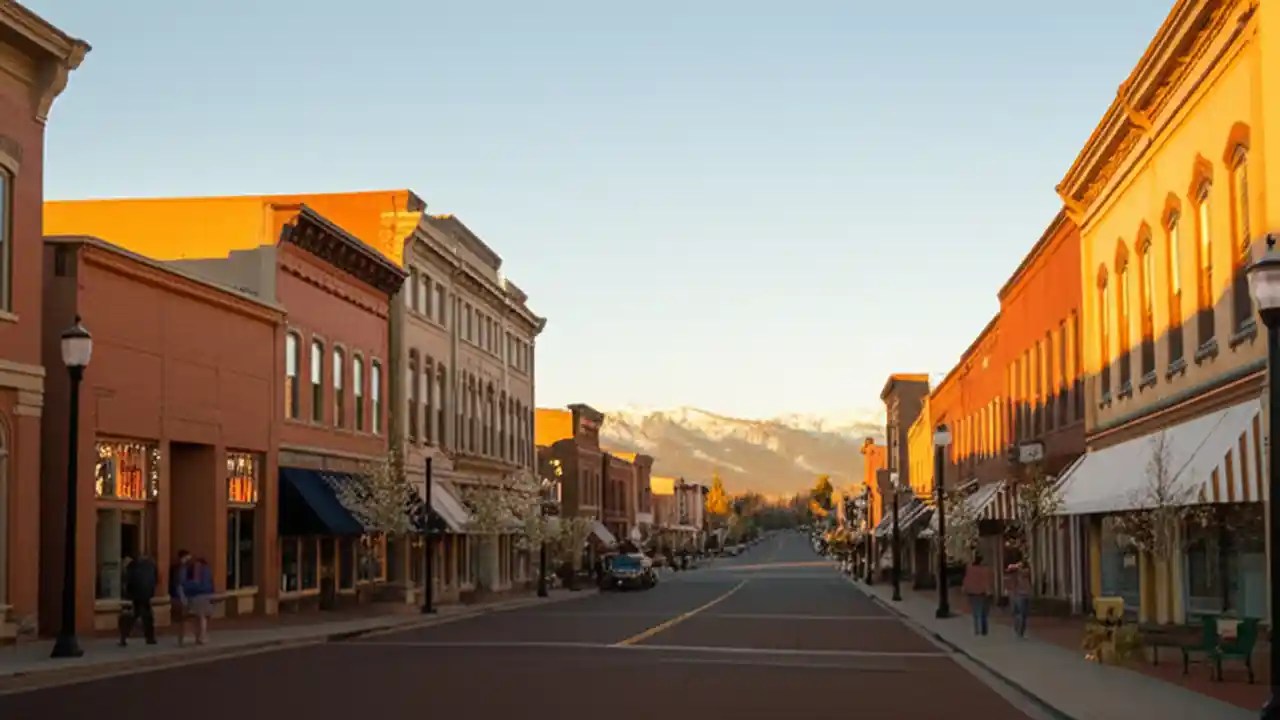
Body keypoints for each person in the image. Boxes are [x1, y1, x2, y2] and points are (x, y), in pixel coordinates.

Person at [119, 552, 158, 646]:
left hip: (137, 595)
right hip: (146, 595)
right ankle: (150, 638)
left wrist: (128, 593)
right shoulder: (151, 566)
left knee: (133, 616)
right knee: (147, 617)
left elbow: (128, 581)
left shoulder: (132, 567)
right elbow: (154, 580)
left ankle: (124, 637)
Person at [183, 557, 215, 645]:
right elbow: (211, 584)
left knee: (197, 618)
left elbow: (186, 583)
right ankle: (202, 636)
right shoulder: (206, 571)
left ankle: (198, 636)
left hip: (195, 596)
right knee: (202, 618)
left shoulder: (192, 570)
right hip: (205, 595)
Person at [962, 552, 994, 636]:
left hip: (972, 593)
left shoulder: (970, 569)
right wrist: (989, 592)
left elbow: (966, 580)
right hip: (982, 593)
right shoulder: (985, 570)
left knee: (976, 613)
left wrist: (965, 590)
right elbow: (987, 582)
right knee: (984, 613)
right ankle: (984, 630)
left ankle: (977, 630)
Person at [169, 550, 192, 646]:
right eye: (188, 557)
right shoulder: (182, 568)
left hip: (174, 595)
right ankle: (181, 639)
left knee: (179, 619)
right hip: (180, 595)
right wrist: (183, 597)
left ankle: (180, 638)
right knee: (182, 618)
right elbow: (180, 584)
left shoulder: (175, 567)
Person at [1007, 560, 1032, 638]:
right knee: (1021, 614)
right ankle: (1020, 630)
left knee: (1020, 614)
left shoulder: (1020, 574)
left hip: (1019, 595)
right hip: (1021, 595)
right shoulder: (1020, 575)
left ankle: (1019, 630)